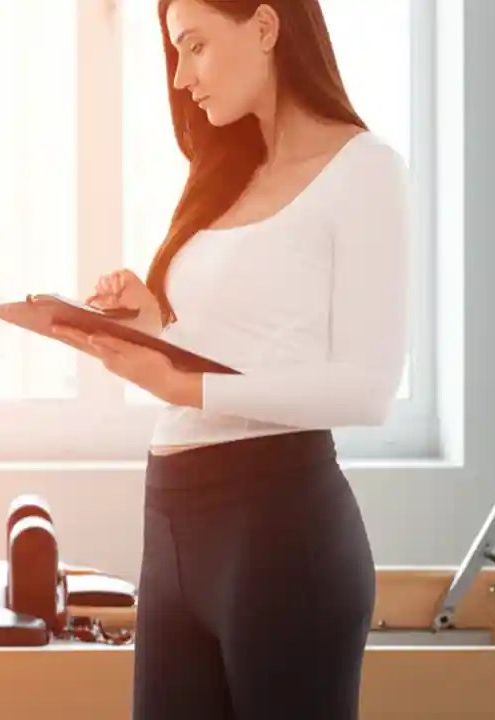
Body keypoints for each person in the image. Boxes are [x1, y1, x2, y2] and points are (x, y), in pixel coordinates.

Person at [49, 0, 410, 717]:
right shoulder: (228, 170)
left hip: (280, 527)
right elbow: (238, 345)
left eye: (195, 46)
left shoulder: (365, 170)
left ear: (268, 28)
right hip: (176, 518)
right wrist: (152, 325)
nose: (181, 77)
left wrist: (185, 384)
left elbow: (368, 389)